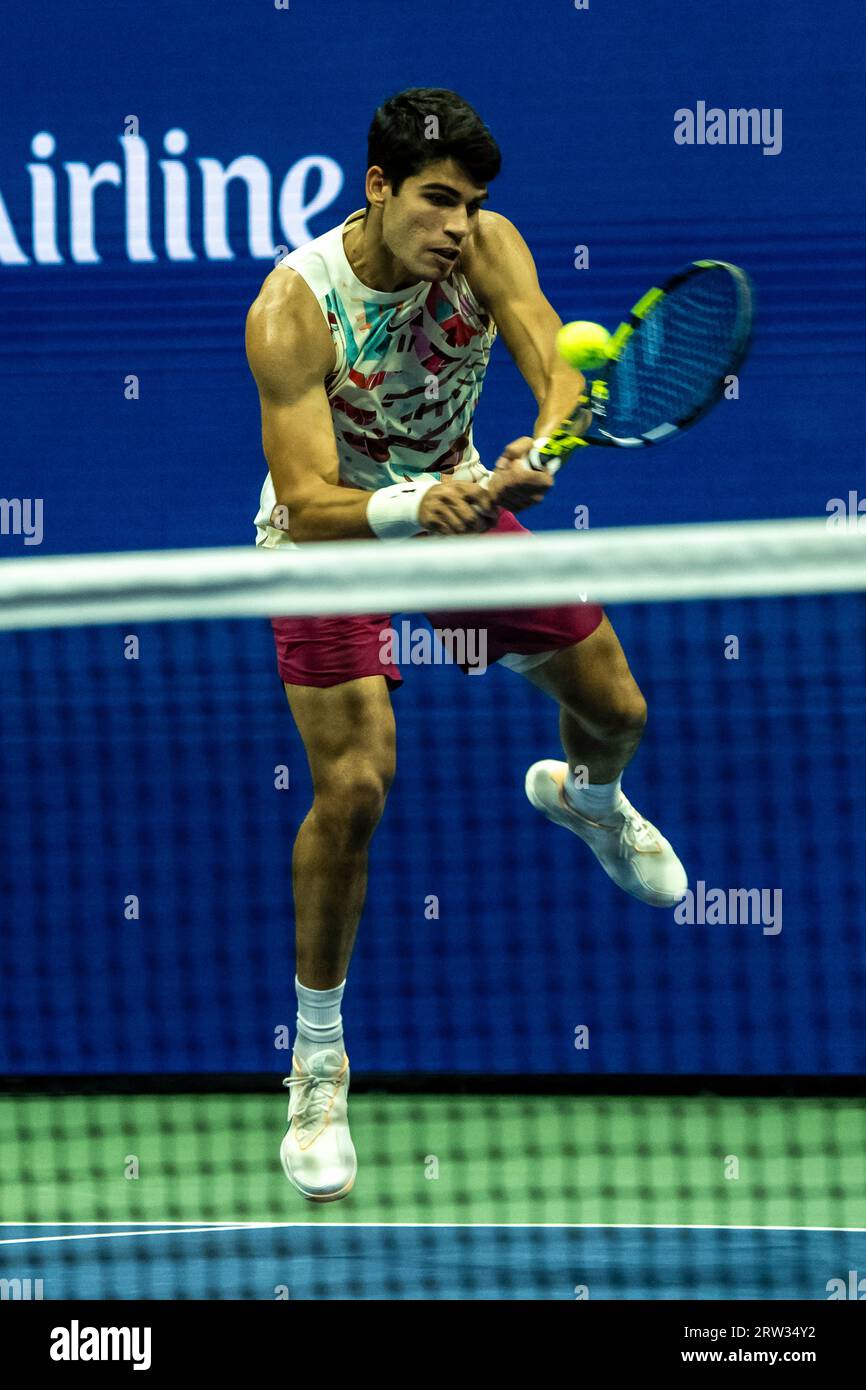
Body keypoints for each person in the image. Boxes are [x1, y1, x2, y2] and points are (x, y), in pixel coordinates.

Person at [245, 87, 687, 1203]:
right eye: (436, 200)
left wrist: (543, 437)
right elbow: (302, 500)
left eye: (471, 202)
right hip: (335, 532)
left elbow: (554, 357)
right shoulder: (293, 308)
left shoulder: (483, 247)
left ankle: (585, 797)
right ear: (377, 186)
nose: (457, 223)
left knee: (618, 712)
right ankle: (317, 1065)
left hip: (456, 497)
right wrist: (406, 509)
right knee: (353, 788)